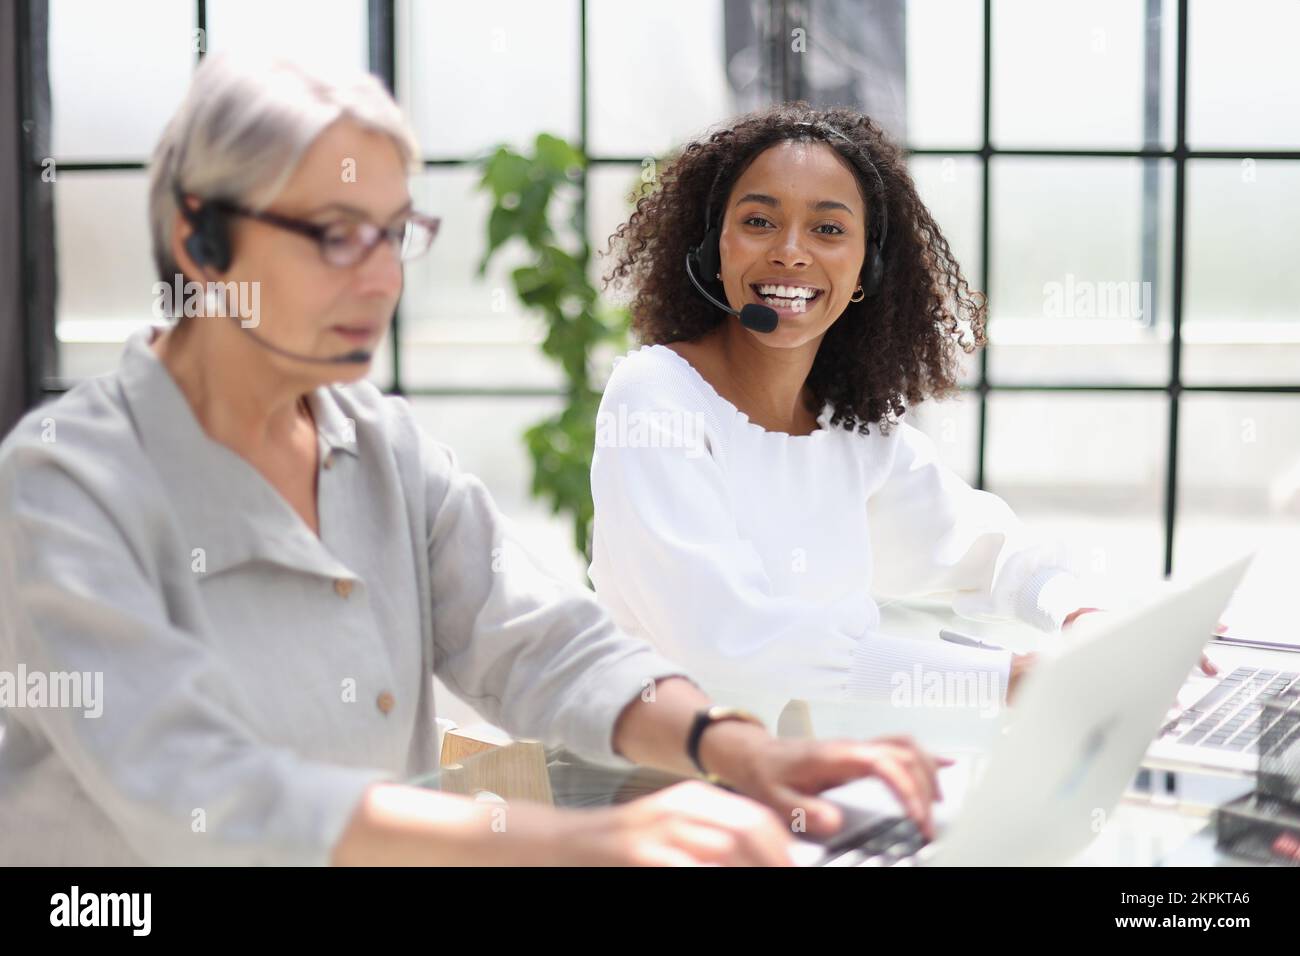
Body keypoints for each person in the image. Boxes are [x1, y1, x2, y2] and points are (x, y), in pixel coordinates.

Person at [0, 57, 947, 866]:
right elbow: (198, 788)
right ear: (199, 240)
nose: (380, 277)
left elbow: (540, 641)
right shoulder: (64, 484)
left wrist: (734, 747)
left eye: (394, 233)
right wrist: (571, 843)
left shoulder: (383, 449)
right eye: (335, 234)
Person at [589, 104, 1113, 713]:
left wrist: (1081, 613)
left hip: (824, 772)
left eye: (828, 229)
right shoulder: (654, 398)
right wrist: (999, 679)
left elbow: (984, 553)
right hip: (672, 787)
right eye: (759, 221)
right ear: (713, 249)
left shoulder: (849, 427)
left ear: (869, 267)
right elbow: (729, 648)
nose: (790, 252)